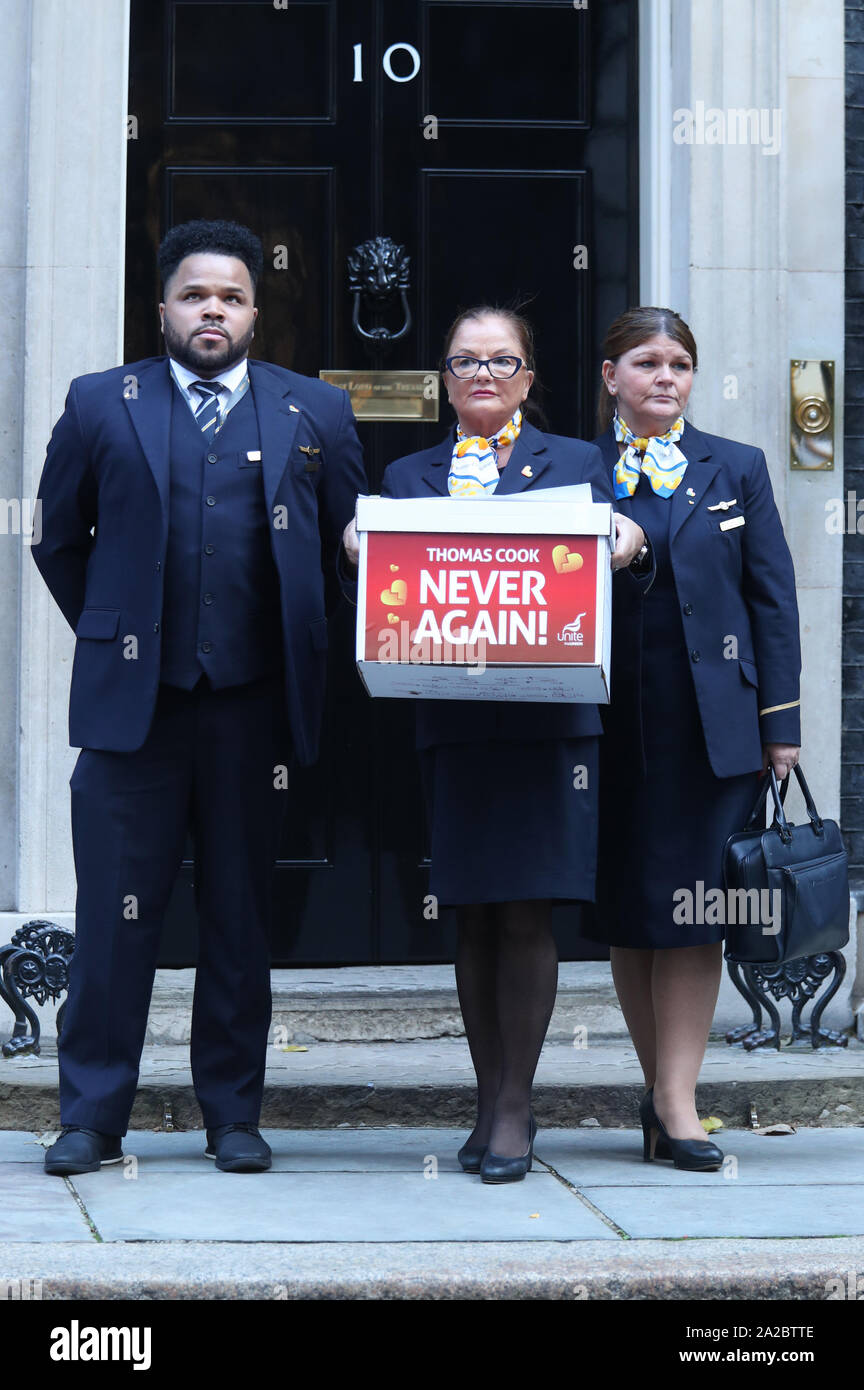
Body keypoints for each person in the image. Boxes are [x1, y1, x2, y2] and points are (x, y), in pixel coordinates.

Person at [32, 219, 366, 1176]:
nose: (211, 310)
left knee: (239, 915)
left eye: (230, 297)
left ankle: (233, 1116)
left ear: (256, 311)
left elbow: (351, 549)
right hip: (132, 711)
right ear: (163, 308)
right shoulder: (101, 401)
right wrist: (117, 632)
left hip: (253, 709)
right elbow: (58, 538)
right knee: (113, 918)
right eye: (193, 295)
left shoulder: (316, 410)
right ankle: (93, 1116)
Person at [377, 306, 646, 1182]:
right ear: (445, 380)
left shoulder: (577, 463)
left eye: (502, 361)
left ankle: (515, 1109)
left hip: (548, 723)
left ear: (529, 377)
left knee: (526, 910)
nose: (484, 375)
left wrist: (630, 540)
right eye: (466, 361)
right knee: (474, 910)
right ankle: (487, 1095)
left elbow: (620, 553)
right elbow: (389, 590)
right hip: (455, 721)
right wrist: (355, 551)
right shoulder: (408, 474)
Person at [585, 306, 801, 1171]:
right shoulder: (572, 469)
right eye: (646, 362)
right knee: (633, 910)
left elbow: (772, 598)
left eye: (679, 363)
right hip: (604, 723)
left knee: (696, 910)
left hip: (712, 726)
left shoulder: (736, 467)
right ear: (612, 377)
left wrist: (780, 725)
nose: (665, 377)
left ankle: (678, 1102)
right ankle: (659, 1091)